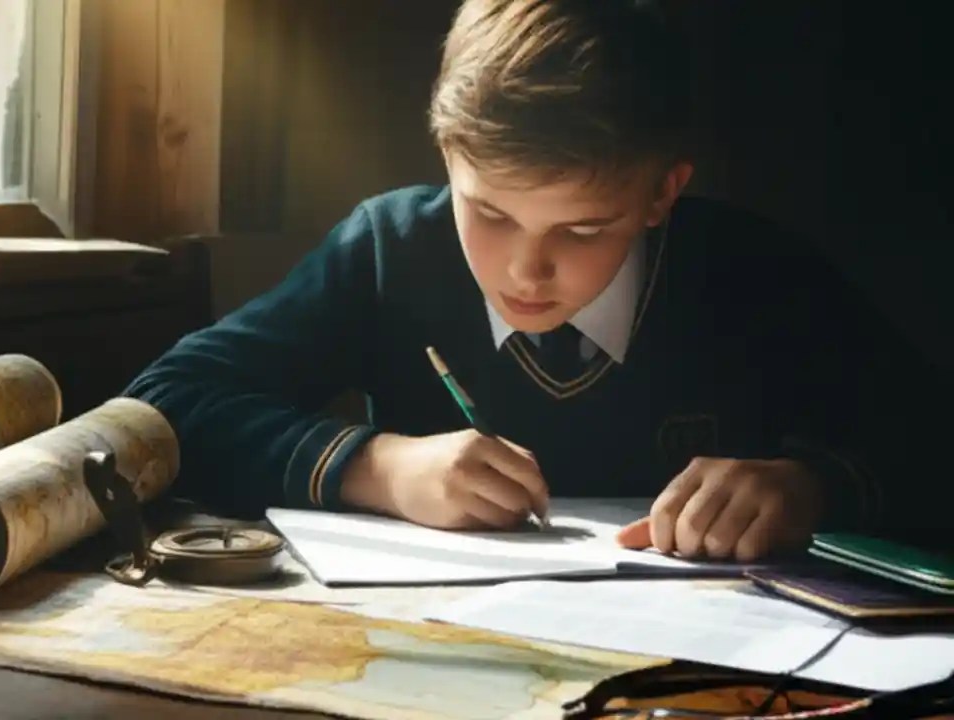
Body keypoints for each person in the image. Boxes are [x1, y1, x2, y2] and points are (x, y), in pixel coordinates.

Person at [124, 0, 942, 562]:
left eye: (583, 229)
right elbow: (164, 405)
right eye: (490, 213)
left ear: (662, 191)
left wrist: (811, 489)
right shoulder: (390, 251)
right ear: (448, 157)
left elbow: (932, 443)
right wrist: (379, 468)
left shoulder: (757, 277)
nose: (525, 271)